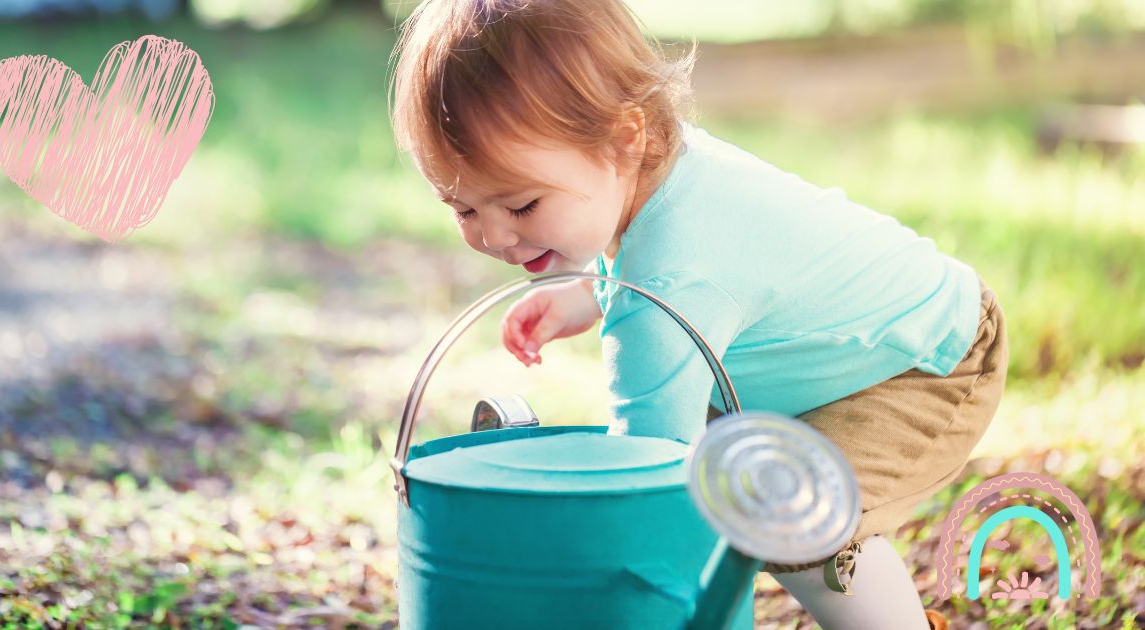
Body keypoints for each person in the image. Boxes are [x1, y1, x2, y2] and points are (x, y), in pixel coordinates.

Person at [388, 1, 1008, 628]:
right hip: (839, 351)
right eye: (463, 209)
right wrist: (586, 294)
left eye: (521, 206)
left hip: (928, 358)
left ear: (625, 139)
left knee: (788, 511)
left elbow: (646, 477)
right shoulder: (648, 175)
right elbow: (653, 256)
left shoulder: (672, 283)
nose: (493, 236)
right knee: (729, 471)